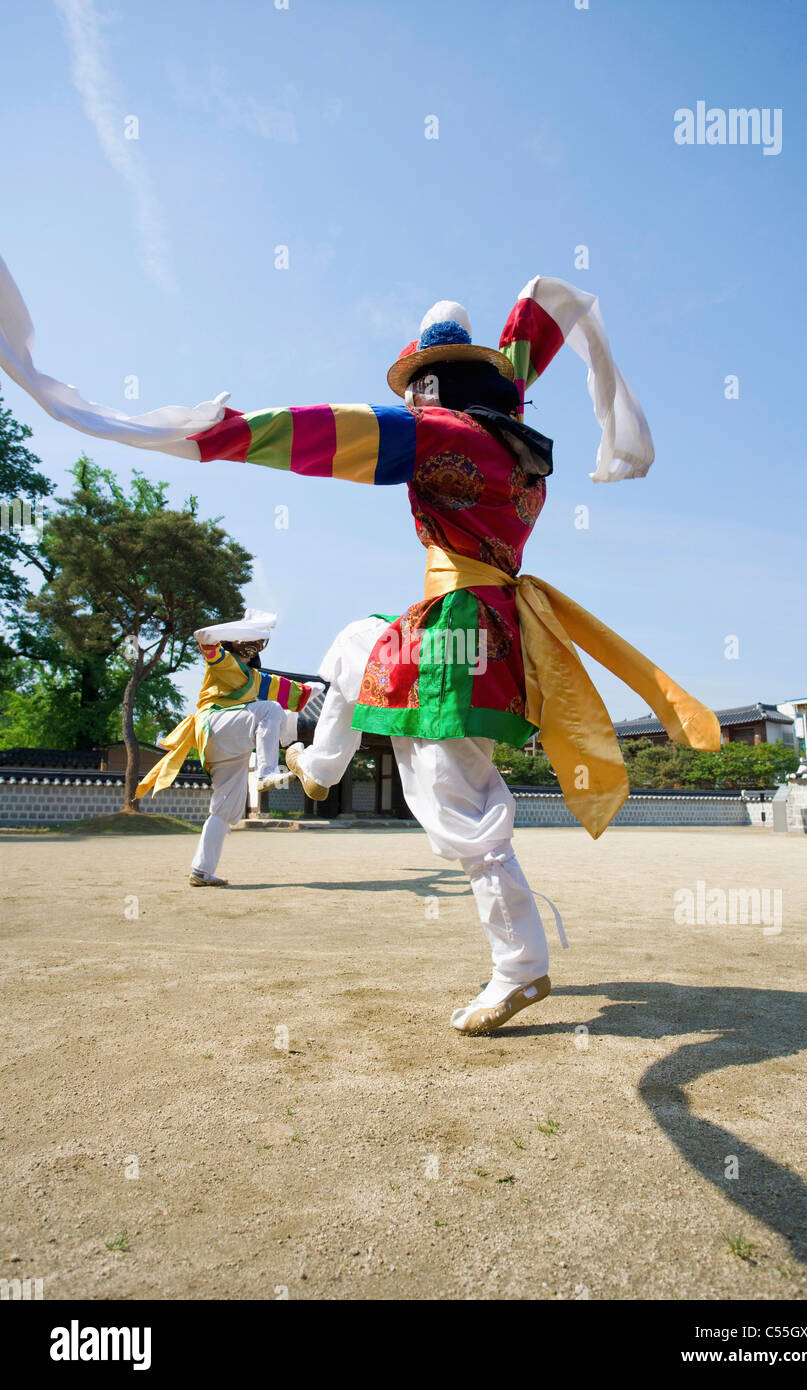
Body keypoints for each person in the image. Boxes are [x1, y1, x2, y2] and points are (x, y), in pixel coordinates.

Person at [0, 265, 721, 1032]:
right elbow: (514, 364)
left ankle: (520, 966)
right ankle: (319, 765)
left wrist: (207, 434)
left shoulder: (443, 434)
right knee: (352, 646)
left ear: (436, 389)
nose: (412, 401)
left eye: (420, 387)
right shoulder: (524, 460)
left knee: (456, 800)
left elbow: (320, 435)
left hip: (458, 634)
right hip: (487, 624)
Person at [134, 610, 314, 887]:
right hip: (216, 724)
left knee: (224, 811)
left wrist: (321, 686)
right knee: (269, 710)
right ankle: (266, 771)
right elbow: (203, 637)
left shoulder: (257, 679)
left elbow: (300, 694)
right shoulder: (221, 661)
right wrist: (247, 626)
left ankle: (201, 871)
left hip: (226, 746)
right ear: (233, 643)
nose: (247, 652)